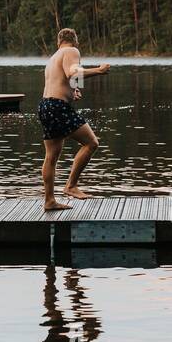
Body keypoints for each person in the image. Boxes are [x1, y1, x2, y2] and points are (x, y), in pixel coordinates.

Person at [38, 28, 109, 210]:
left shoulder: (54, 57)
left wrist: (75, 90)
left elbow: (68, 79)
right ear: (75, 41)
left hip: (46, 106)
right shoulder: (72, 51)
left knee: (51, 156)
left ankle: (49, 201)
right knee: (92, 143)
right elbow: (72, 73)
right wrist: (99, 70)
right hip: (58, 107)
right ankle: (71, 186)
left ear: (58, 41)